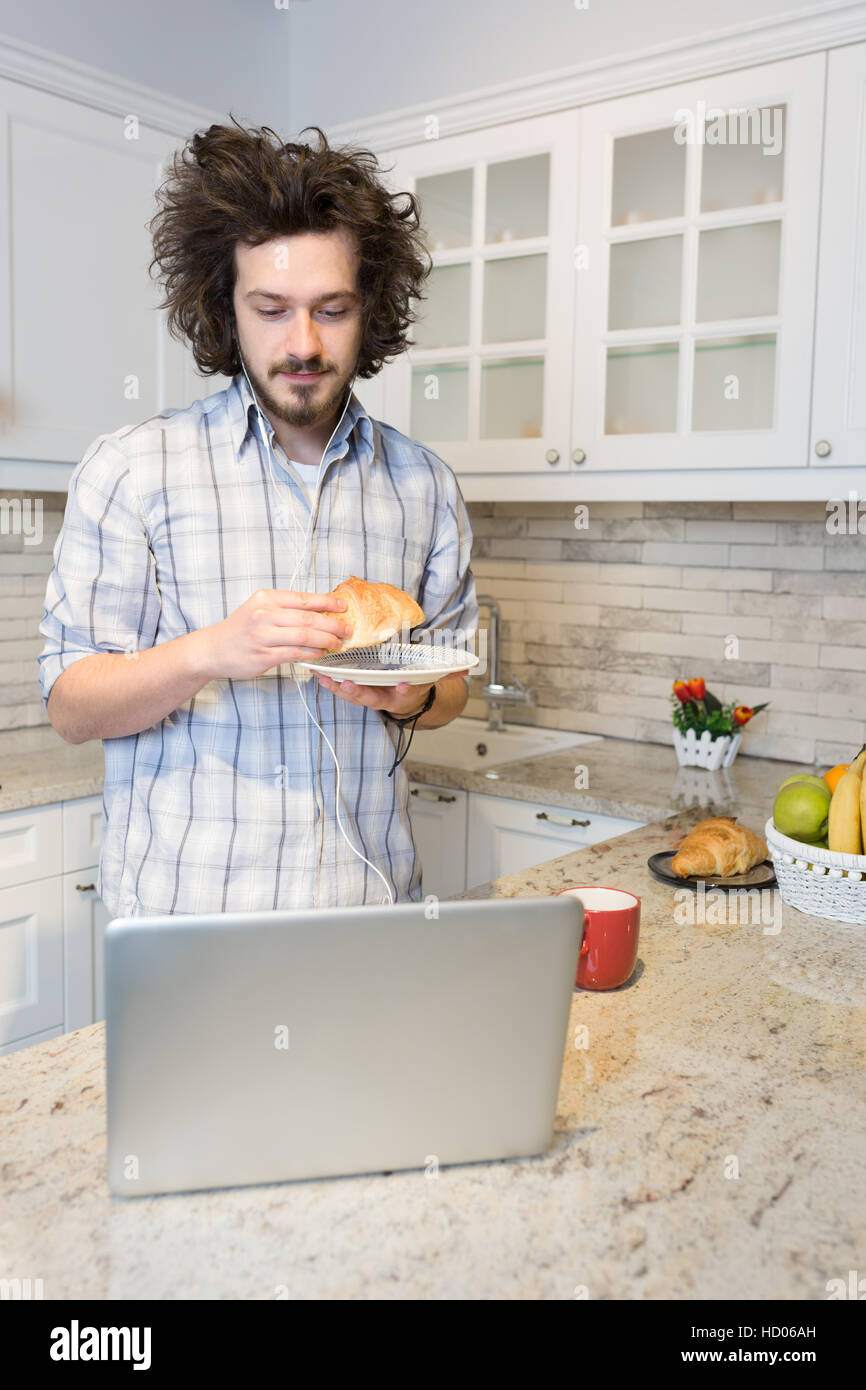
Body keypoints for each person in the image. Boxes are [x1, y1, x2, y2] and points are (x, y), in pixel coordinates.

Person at [36, 119, 478, 917]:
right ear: (224, 306)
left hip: (371, 907)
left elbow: (449, 689)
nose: (302, 343)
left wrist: (404, 699)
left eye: (332, 309)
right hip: (191, 923)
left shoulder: (424, 484)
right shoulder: (134, 468)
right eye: (271, 308)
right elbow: (71, 706)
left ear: (369, 310)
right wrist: (211, 650)